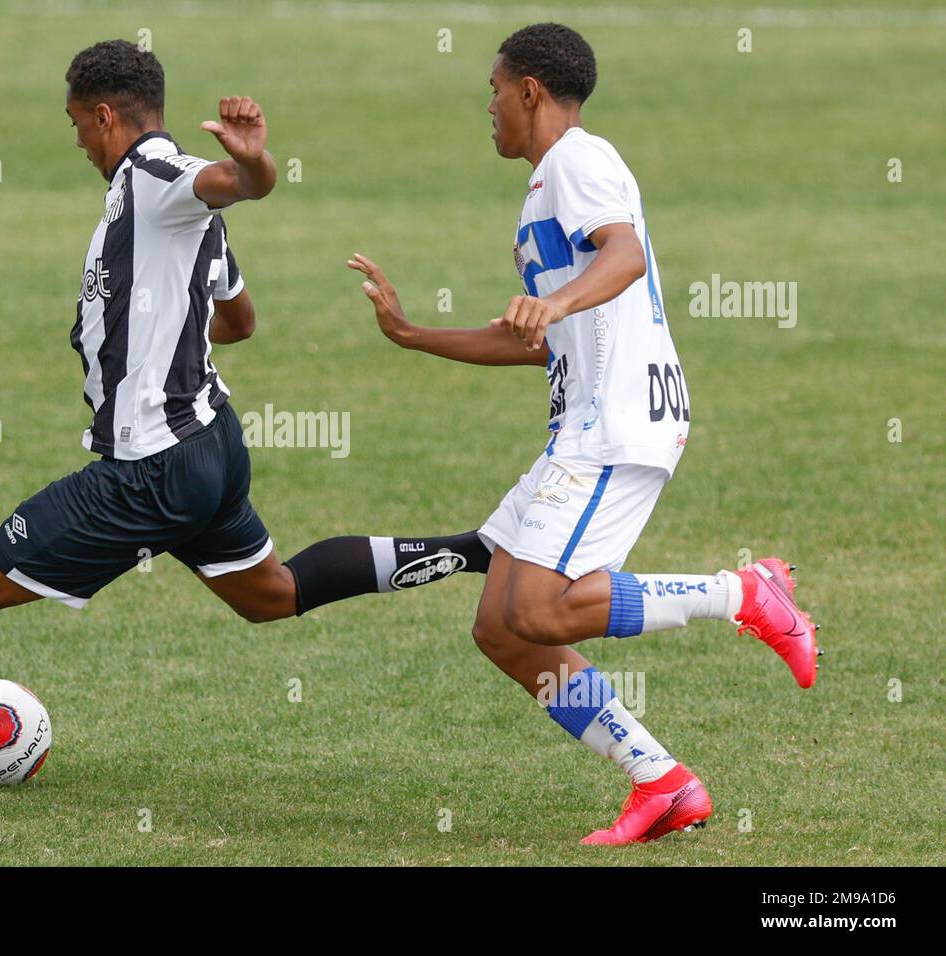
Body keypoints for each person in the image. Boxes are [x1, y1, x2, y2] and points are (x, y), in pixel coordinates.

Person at [0, 39, 490, 811]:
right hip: (211, 447)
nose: (79, 145)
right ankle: (475, 551)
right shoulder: (169, 211)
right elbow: (239, 319)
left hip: (149, 469)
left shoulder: (157, 176)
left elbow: (238, 183)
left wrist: (255, 164)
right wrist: (162, 330)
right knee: (271, 593)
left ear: (105, 116)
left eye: (77, 127)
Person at [348, 22, 820, 845]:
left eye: (493, 88)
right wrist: (415, 334)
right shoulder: (543, 188)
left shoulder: (578, 160)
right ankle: (663, 782)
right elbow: (535, 340)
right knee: (501, 627)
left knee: (539, 608)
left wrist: (559, 302)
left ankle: (744, 593)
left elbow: (626, 255)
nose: (487, 106)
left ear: (529, 88)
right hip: (581, 425)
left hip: (618, 422)